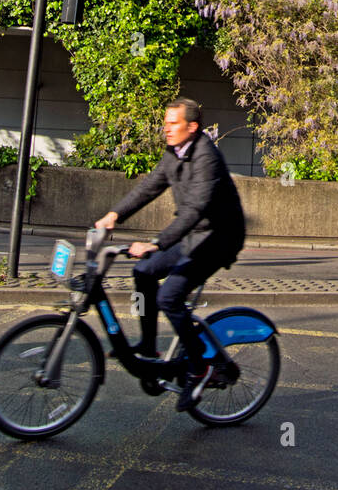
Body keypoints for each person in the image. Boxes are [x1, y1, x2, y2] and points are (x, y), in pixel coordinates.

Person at [95, 97, 246, 412]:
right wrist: (114, 215)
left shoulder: (207, 158)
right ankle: (148, 346)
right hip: (193, 235)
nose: (167, 128)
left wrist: (157, 243)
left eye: (173, 123)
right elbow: (149, 187)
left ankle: (199, 366)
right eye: (166, 122)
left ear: (192, 127)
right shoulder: (174, 153)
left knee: (169, 298)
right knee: (143, 272)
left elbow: (193, 211)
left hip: (218, 238)